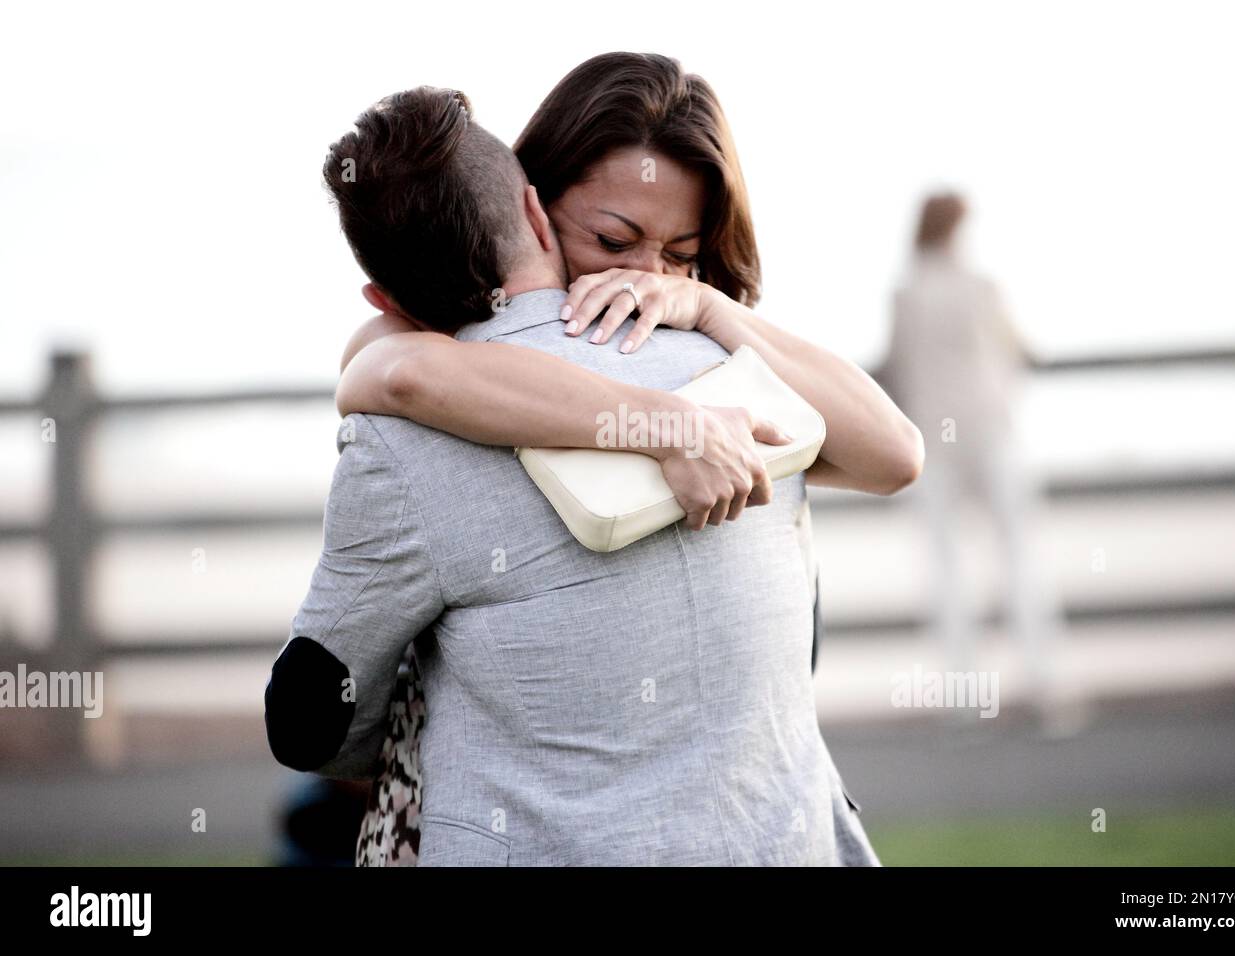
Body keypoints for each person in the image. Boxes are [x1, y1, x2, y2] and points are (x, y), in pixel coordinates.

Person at [265, 82, 921, 865]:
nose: (645, 281)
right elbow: (394, 371)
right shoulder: (730, 384)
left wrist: (709, 309)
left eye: (681, 257)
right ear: (534, 207)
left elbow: (898, 455)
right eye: (615, 241)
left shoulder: (725, 351)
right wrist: (665, 421)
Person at [884, 192, 1077, 735]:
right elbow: (1018, 349)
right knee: (1020, 557)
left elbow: (896, 368)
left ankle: (965, 700)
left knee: (947, 569)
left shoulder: (905, 293)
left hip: (931, 442)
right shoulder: (981, 286)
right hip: (992, 432)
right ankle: (1043, 686)